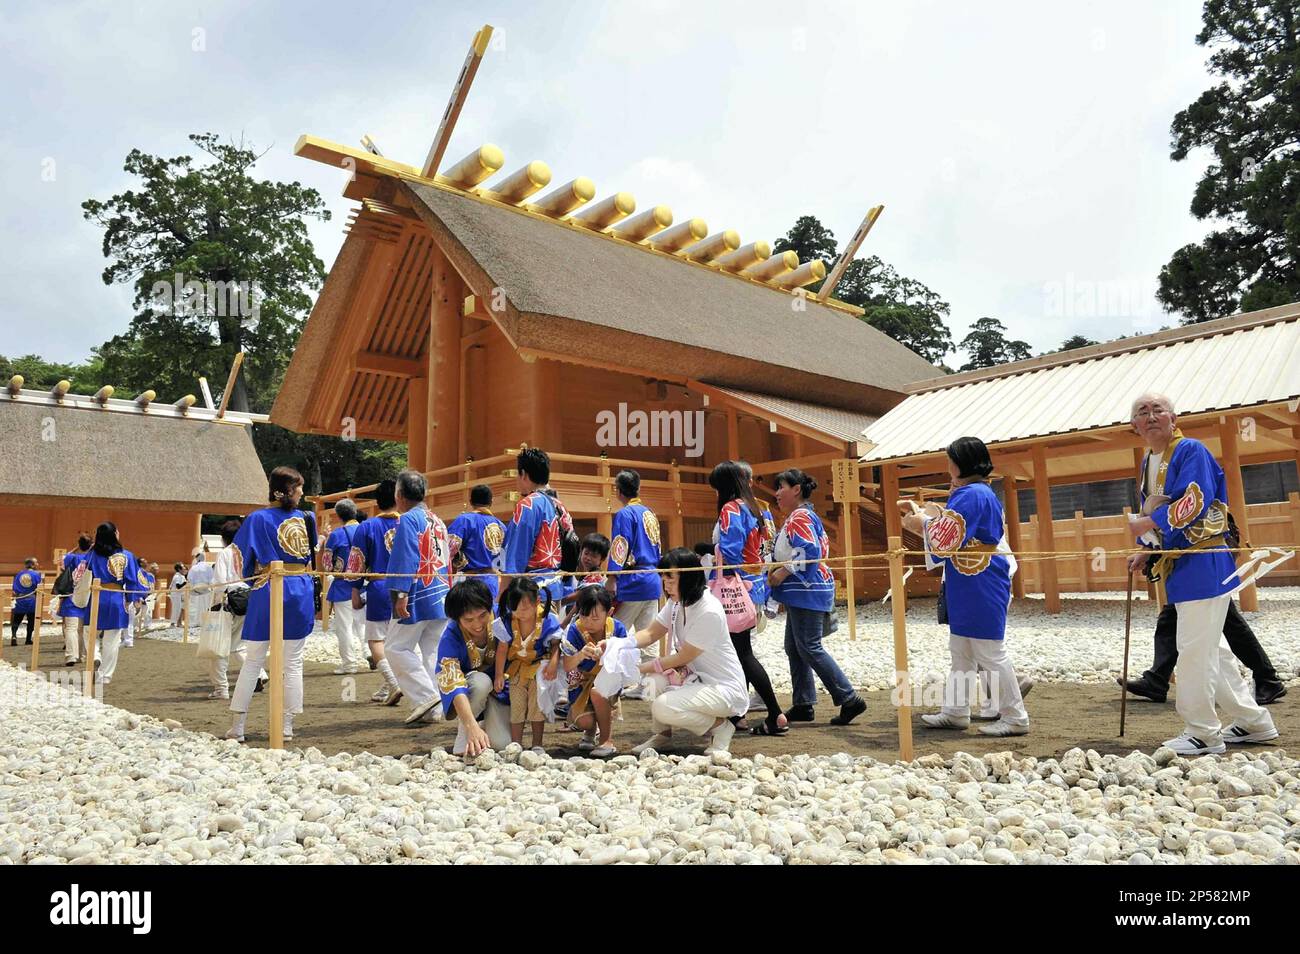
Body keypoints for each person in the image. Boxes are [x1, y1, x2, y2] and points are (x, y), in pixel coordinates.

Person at [1125, 392, 1277, 755]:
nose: (1150, 416)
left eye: (1157, 409)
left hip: (1204, 559)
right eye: (1142, 412)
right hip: (1182, 563)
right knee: (1211, 649)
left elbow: (1195, 499)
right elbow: (1164, 509)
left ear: (1174, 418)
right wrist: (1148, 549)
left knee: (1193, 649)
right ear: (1134, 426)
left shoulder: (1190, 450)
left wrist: (1149, 523)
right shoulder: (1148, 460)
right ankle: (1254, 722)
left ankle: (1203, 731)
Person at [902, 436, 1029, 737]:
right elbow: (951, 528)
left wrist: (920, 522)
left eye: (950, 459)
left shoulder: (972, 494)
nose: (948, 465)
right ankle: (956, 710)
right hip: (969, 577)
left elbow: (946, 535)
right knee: (961, 648)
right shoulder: (973, 493)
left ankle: (1015, 716)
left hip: (981, 578)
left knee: (989, 650)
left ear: (959, 462)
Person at [625, 548, 750, 755]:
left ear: (689, 577)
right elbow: (650, 633)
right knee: (653, 683)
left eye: (671, 579)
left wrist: (638, 668)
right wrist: (618, 645)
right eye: (664, 579)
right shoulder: (677, 603)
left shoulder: (708, 609)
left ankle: (721, 727)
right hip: (695, 678)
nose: (666, 585)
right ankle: (662, 735)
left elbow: (684, 656)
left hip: (723, 687)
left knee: (662, 706)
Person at [226, 467, 318, 743]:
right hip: (299, 587)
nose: (301, 493)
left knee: (253, 660)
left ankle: (238, 727)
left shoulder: (256, 519)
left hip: (268, 586)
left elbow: (240, 561)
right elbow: (310, 554)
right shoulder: (306, 519)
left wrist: (256, 571)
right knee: (293, 661)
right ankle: (286, 725)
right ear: (285, 490)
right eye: (298, 488)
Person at [768, 469, 866, 726]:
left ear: (796, 489)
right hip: (805, 589)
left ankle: (849, 697)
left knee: (809, 646)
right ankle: (803, 703)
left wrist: (784, 570)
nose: (777, 493)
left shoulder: (799, 517)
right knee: (795, 647)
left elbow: (809, 550)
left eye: (781, 487)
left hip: (806, 589)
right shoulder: (801, 515)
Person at [709, 460, 786, 736]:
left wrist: (711, 552)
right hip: (755, 585)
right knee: (741, 651)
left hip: (734, 587)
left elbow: (730, 550)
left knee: (740, 653)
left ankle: (775, 712)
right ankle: (739, 713)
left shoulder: (732, 509)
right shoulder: (760, 508)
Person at [1119, 600, 1287, 706]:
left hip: (1205, 557)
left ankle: (1267, 679)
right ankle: (1157, 679)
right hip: (1199, 559)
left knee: (1229, 621)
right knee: (1172, 616)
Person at [387, 469, 452, 726]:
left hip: (418, 592)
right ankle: (436, 705)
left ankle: (426, 697)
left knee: (396, 647)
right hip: (440, 591)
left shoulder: (408, 520)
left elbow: (406, 556)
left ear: (400, 495)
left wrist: (401, 593)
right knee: (432, 651)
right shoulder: (438, 520)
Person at [437, 578, 513, 757]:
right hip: (471, 689)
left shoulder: (499, 620)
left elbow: (511, 649)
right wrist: (471, 727)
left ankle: (483, 726)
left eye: (482, 616)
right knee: (481, 682)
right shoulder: (450, 637)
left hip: (501, 687)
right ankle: (467, 731)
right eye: (469, 620)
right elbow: (454, 685)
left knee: (501, 744)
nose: (478, 625)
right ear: (457, 619)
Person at [605, 470, 663, 699]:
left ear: (618, 490)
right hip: (652, 579)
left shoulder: (625, 514)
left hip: (632, 581)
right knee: (648, 636)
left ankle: (611, 686)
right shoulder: (650, 513)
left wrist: (612, 576)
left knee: (614, 635)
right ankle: (649, 688)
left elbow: (620, 546)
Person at [347, 479, 404, 705]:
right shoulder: (410, 524)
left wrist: (354, 590)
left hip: (379, 586)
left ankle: (393, 683)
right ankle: (387, 686)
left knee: (376, 641)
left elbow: (356, 563)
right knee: (397, 640)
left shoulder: (367, 527)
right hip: (406, 587)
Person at [555, 585, 629, 757]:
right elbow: (567, 666)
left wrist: (607, 656)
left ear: (609, 612)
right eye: (584, 615)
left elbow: (625, 662)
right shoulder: (574, 630)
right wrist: (581, 655)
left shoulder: (617, 629)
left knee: (598, 691)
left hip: (609, 677)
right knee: (583, 721)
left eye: (595, 618)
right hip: (582, 679)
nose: (588, 621)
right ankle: (590, 731)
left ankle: (606, 740)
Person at [492, 576, 561, 749]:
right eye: (515, 609)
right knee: (517, 706)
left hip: (539, 669)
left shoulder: (548, 620)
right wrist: (499, 674)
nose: (520, 613)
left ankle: (537, 744)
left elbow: (555, 645)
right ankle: (516, 744)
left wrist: (553, 663)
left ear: (537, 601)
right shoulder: (508, 621)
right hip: (516, 670)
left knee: (536, 707)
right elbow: (502, 649)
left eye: (525, 608)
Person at [73, 523, 144, 686]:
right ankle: (105, 676)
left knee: (89, 632)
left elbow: (80, 572)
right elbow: (133, 580)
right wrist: (130, 600)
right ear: (115, 534)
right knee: (112, 639)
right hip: (117, 598)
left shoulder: (92, 555)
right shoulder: (127, 555)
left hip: (97, 595)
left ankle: (95, 656)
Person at [499, 447, 566, 604]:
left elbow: (516, 555)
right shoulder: (558, 505)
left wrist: (501, 596)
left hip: (531, 592)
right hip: (555, 587)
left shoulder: (527, 505)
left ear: (524, 474)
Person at [323, 499, 368, 675]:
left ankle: (349, 663)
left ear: (338, 515)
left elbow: (327, 565)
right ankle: (370, 652)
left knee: (344, 627)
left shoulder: (336, 534)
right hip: (365, 584)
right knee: (362, 624)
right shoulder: (366, 529)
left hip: (343, 586)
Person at [207, 519, 250, 700]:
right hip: (248, 600)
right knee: (239, 645)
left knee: (219, 647)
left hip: (229, 601)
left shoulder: (225, 553)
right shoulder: (249, 551)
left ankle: (221, 688)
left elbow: (219, 583)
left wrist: (215, 602)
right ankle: (258, 675)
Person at [447, 484, 507, 602]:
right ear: (491, 502)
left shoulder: (464, 520)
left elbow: (449, 550)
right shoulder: (502, 526)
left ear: (470, 501)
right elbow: (505, 559)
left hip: (469, 584)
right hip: (495, 583)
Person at [57, 534, 92, 665]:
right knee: (83, 629)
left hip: (71, 595)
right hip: (87, 596)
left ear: (79, 544)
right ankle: (83, 656)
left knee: (71, 628)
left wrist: (75, 548)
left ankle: (71, 656)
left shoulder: (72, 557)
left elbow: (61, 561)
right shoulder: (92, 559)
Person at [10, 558, 42, 646]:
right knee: (31, 620)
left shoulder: (19, 574)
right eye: (36, 563)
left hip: (20, 599)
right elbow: (39, 587)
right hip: (31, 600)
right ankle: (28, 639)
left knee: (16, 620)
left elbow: (14, 589)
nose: (37, 564)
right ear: (32, 565)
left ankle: (14, 636)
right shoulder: (36, 574)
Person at [186, 548, 215, 634]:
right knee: (206, 605)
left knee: (195, 606)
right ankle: (205, 622)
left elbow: (189, 579)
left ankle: (194, 622)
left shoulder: (193, 568)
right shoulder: (208, 567)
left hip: (196, 588)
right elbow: (211, 578)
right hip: (206, 588)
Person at [167, 562, 187, 628]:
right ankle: (172, 623)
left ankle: (179, 623)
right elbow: (178, 586)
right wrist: (186, 583)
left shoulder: (181, 576)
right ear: (179, 569)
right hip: (176, 595)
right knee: (176, 609)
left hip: (178, 595)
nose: (184, 569)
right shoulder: (178, 576)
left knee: (179, 609)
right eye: (183, 567)